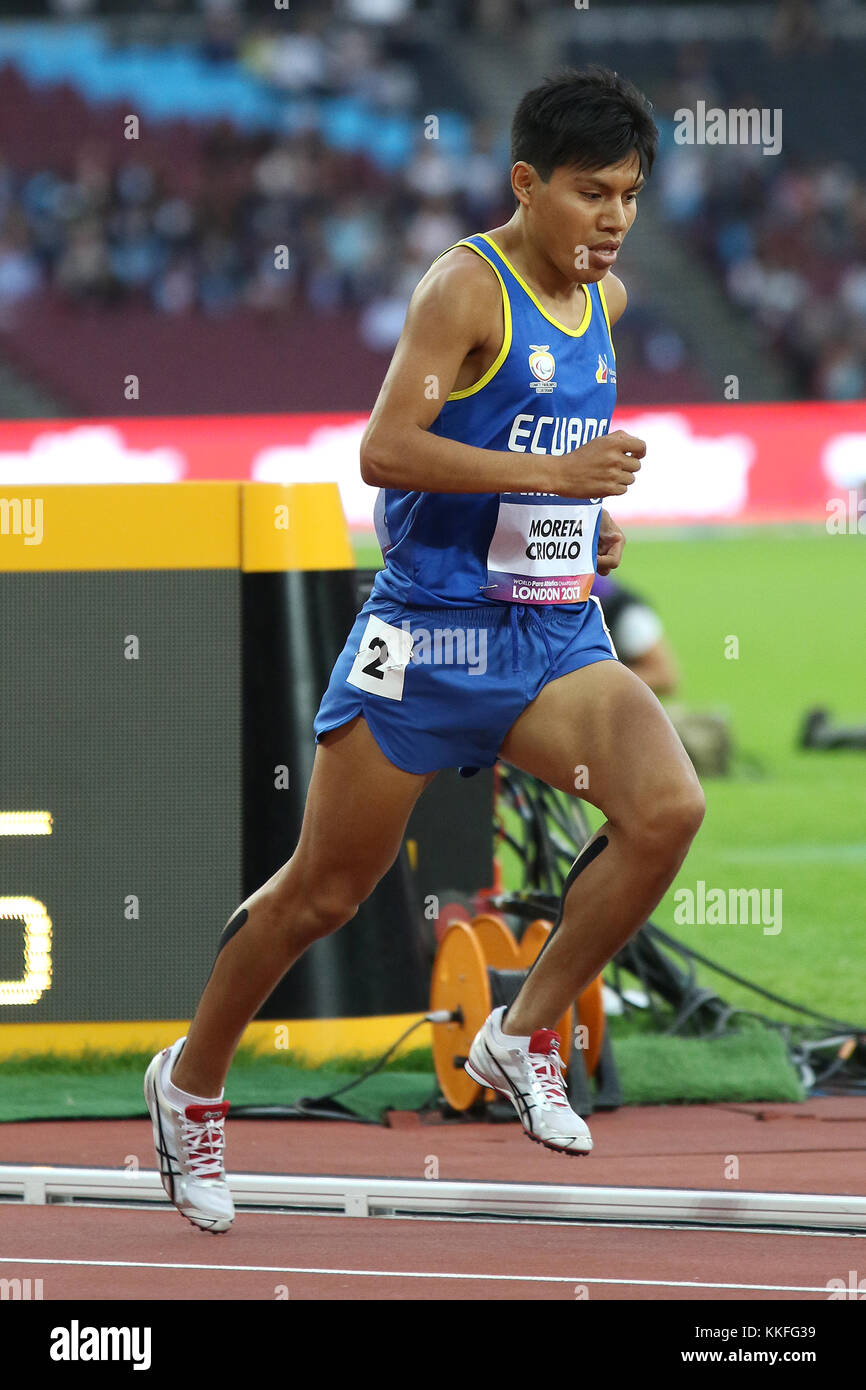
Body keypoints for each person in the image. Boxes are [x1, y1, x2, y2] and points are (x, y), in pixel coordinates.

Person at [145, 65, 705, 1231]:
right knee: (323, 894)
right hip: (429, 634)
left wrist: (579, 521)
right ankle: (190, 1081)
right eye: (591, 193)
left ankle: (519, 1029)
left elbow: (532, 456)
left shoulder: (595, 298)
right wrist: (553, 473)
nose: (612, 218)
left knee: (665, 811)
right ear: (523, 184)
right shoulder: (466, 285)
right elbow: (387, 450)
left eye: (629, 195)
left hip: (548, 628)